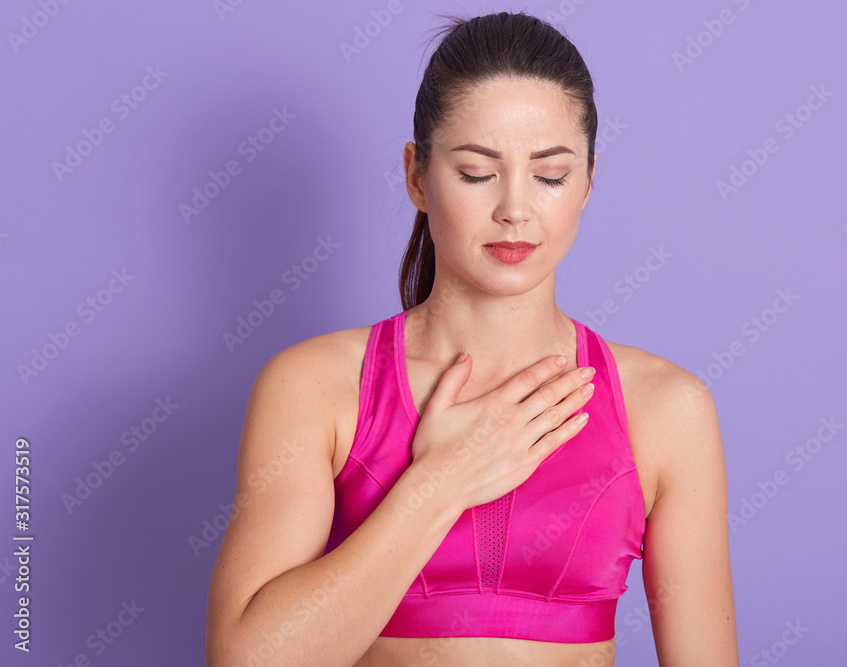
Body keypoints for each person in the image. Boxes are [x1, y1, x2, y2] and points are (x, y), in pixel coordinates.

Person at [207, 11, 738, 666]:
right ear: (416, 176)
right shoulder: (313, 387)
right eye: (477, 173)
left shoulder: (668, 408)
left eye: (550, 175)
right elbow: (248, 658)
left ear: (589, 182)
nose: (516, 208)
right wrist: (442, 480)